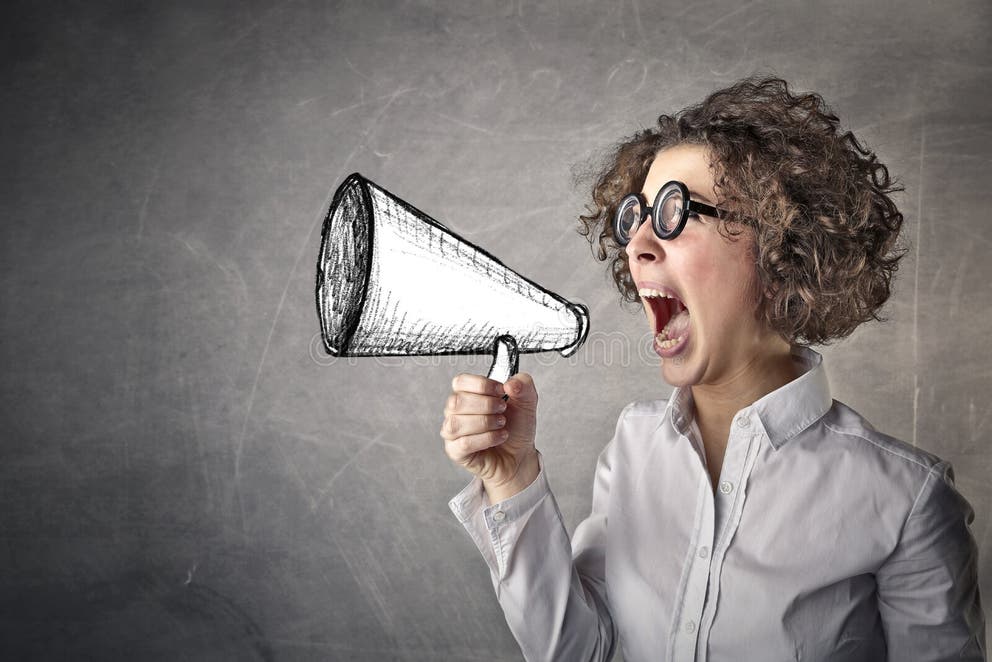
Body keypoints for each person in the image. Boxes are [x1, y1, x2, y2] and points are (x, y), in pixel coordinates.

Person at [440, 76, 986, 661]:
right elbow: (580, 650)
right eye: (635, 217)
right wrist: (510, 478)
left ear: (784, 251)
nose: (637, 244)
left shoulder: (906, 499)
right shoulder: (632, 445)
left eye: (676, 212)